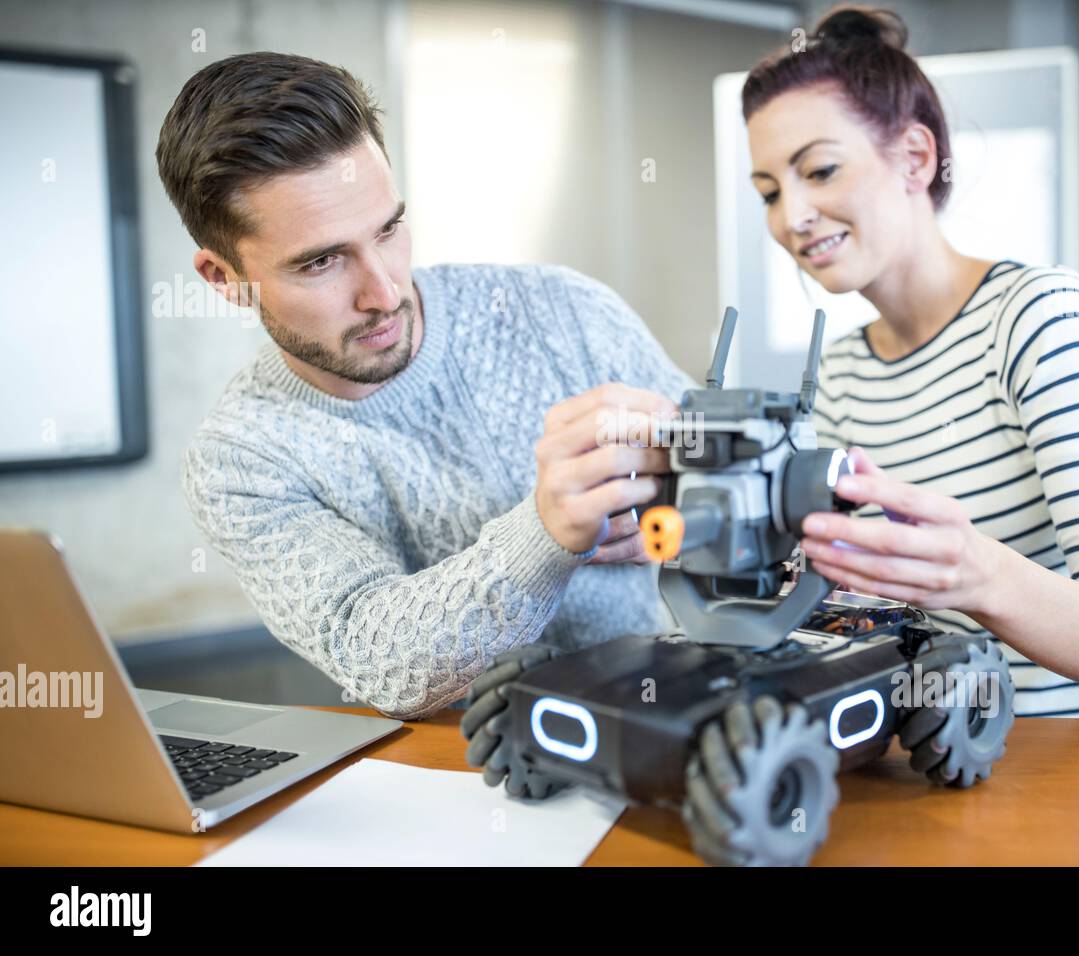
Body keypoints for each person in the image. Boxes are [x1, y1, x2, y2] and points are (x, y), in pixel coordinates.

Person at [741, 5, 1079, 806]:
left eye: (818, 171)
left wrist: (978, 573)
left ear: (914, 156)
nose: (792, 218)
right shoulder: (847, 369)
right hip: (964, 767)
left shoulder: (1042, 320)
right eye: (768, 191)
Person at [158, 52, 693, 721]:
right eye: (321, 262)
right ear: (223, 278)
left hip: (648, 724)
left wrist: (687, 507)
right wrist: (545, 534)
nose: (384, 292)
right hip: (454, 777)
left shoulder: (557, 309)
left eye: (388, 230)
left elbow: (727, 465)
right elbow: (382, 659)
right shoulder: (240, 461)